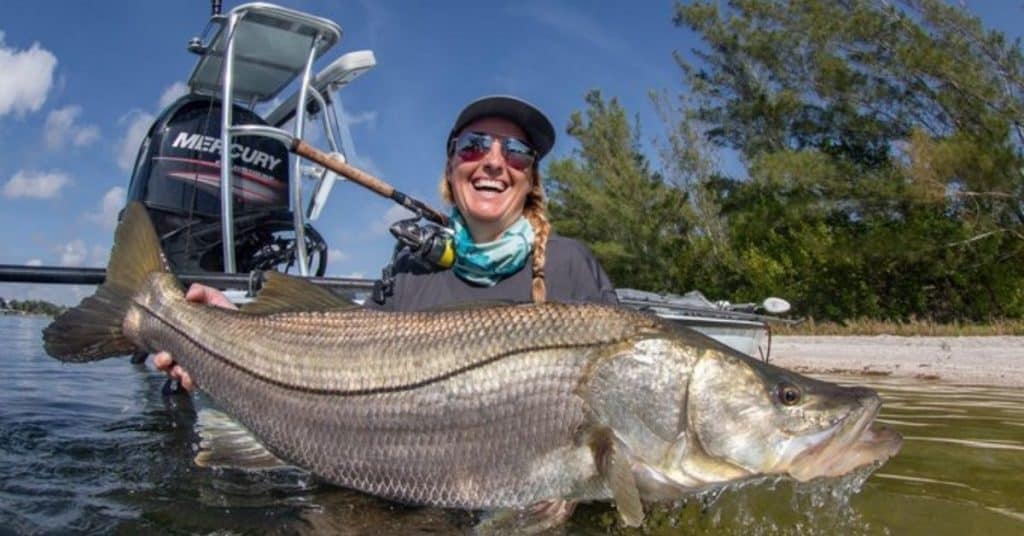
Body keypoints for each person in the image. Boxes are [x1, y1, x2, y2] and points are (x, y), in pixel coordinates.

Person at [154, 95, 618, 390]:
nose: (495, 162)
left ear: (531, 177)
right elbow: (336, 359)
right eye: (475, 146)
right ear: (452, 168)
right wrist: (228, 334)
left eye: (516, 152)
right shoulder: (409, 272)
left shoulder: (571, 266)